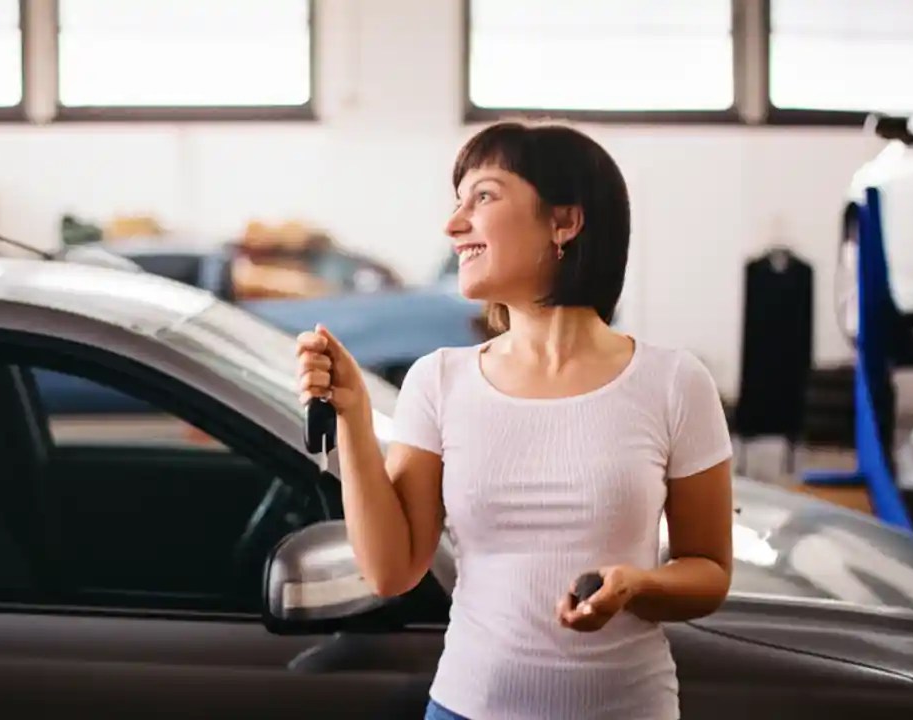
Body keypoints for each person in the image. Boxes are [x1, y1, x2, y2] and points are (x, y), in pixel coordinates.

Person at [295, 121, 734, 720]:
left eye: (484, 197)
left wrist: (638, 585)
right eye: (457, 203)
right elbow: (391, 570)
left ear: (564, 222)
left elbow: (708, 572)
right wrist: (354, 418)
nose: (454, 225)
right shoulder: (439, 380)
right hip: (467, 707)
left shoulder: (674, 383)